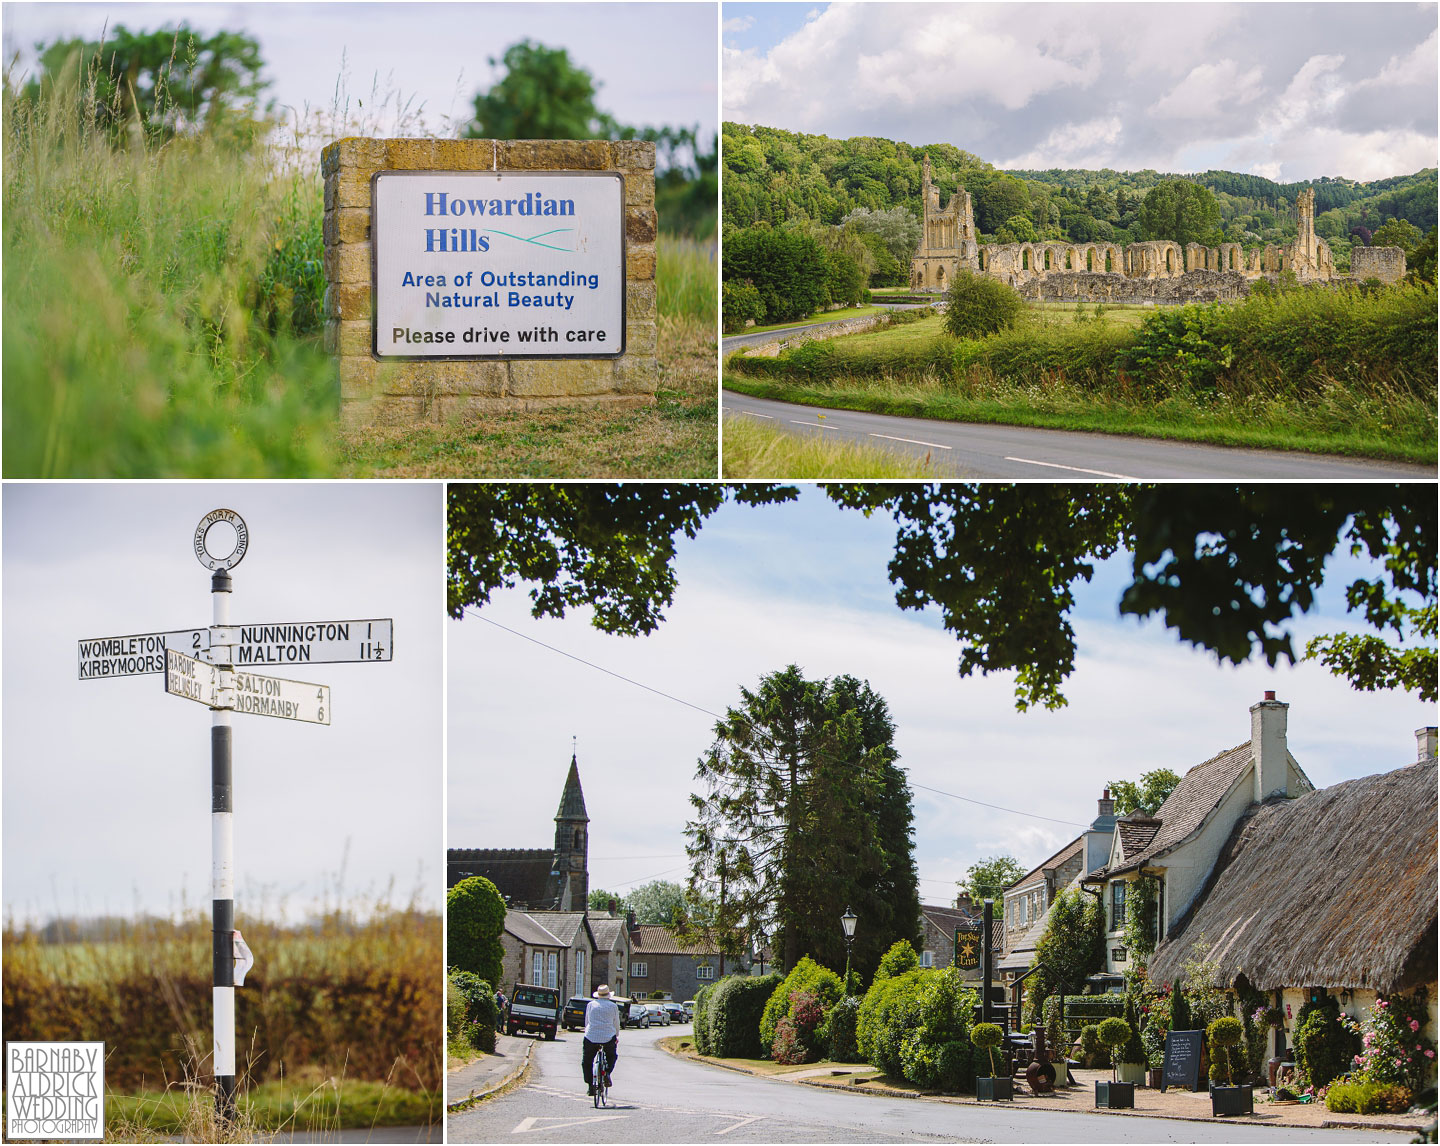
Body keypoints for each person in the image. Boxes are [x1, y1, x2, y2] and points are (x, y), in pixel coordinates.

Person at [581, 984, 621, 1095]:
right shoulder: (613, 1006)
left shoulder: (590, 1005)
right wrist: (616, 1036)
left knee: (587, 1061)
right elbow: (616, 1023)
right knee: (612, 1056)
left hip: (591, 1036)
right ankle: (607, 1073)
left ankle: (590, 1086)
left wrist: (587, 1032)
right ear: (608, 995)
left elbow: (587, 1022)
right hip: (608, 1036)